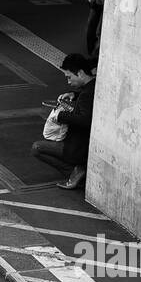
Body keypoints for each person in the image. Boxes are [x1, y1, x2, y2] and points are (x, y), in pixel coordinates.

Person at [31, 52, 97, 189]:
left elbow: (85, 120)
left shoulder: (86, 95)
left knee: (37, 148)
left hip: (77, 148)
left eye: (69, 77)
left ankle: (75, 172)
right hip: (82, 144)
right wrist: (74, 94)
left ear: (79, 73)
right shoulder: (93, 86)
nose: (68, 82)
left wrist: (60, 117)